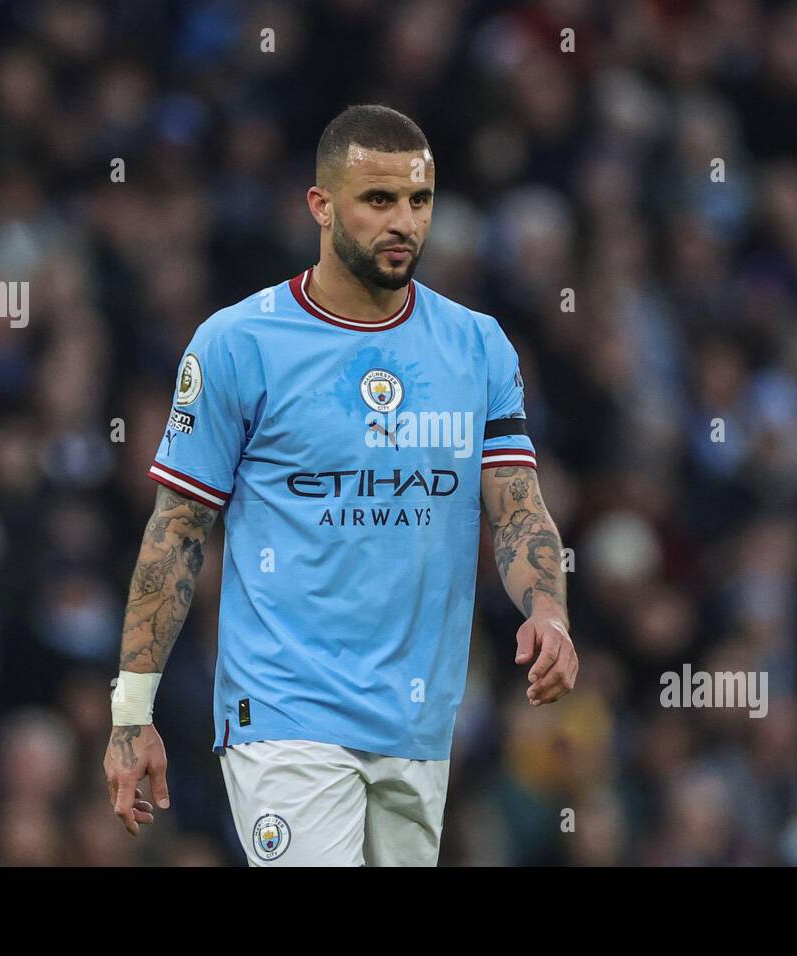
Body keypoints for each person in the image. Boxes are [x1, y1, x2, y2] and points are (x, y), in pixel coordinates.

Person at [102, 104, 578, 866]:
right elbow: (177, 532)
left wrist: (547, 608)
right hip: (285, 711)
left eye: (419, 202)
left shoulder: (477, 347)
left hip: (420, 716)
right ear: (321, 206)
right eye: (379, 200)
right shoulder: (238, 345)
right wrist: (132, 714)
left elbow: (518, 507)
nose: (404, 223)